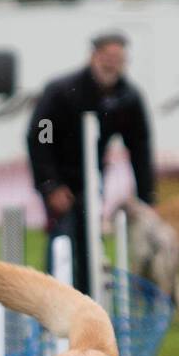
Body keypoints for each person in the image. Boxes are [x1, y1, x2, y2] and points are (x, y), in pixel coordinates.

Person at [26, 31, 155, 296]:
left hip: (92, 178)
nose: (112, 64)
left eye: (118, 58)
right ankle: (53, 298)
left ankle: (88, 301)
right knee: (63, 238)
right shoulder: (61, 91)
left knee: (90, 242)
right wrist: (50, 185)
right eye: (107, 57)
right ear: (93, 56)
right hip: (59, 176)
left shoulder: (128, 98)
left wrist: (146, 198)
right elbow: (39, 137)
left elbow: (140, 148)